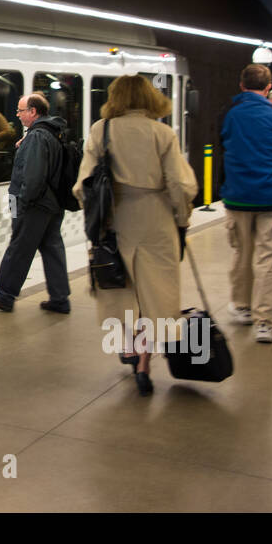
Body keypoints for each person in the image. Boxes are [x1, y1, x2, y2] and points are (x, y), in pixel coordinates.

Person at [74, 76, 196, 396]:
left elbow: (83, 184)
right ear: (149, 98)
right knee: (153, 297)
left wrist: (98, 217)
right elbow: (180, 186)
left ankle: (128, 346)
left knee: (122, 290)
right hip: (157, 222)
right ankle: (144, 365)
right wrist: (182, 219)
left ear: (115, 98)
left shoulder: (102, 129)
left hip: (116, 221)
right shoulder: (163, 132)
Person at [220, 65, 272, 343]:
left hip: (236, 197)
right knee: (269, 258)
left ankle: (241, 306)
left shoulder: (228, 114)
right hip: (271, 198)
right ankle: (264, 323)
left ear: (241, 85)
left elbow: (222, 147)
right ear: (267, 88)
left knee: (242, 252)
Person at [0, 92, 70, 313]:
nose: (17, 115)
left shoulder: (38, 136)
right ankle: (60, 298)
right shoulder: (50, 132)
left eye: (20, 111)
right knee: (52, 248)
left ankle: (4, 295)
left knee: (18, 247)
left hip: (33, 205)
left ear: (33, 112)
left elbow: (33, 175)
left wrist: (22, 202)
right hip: (52, 203)